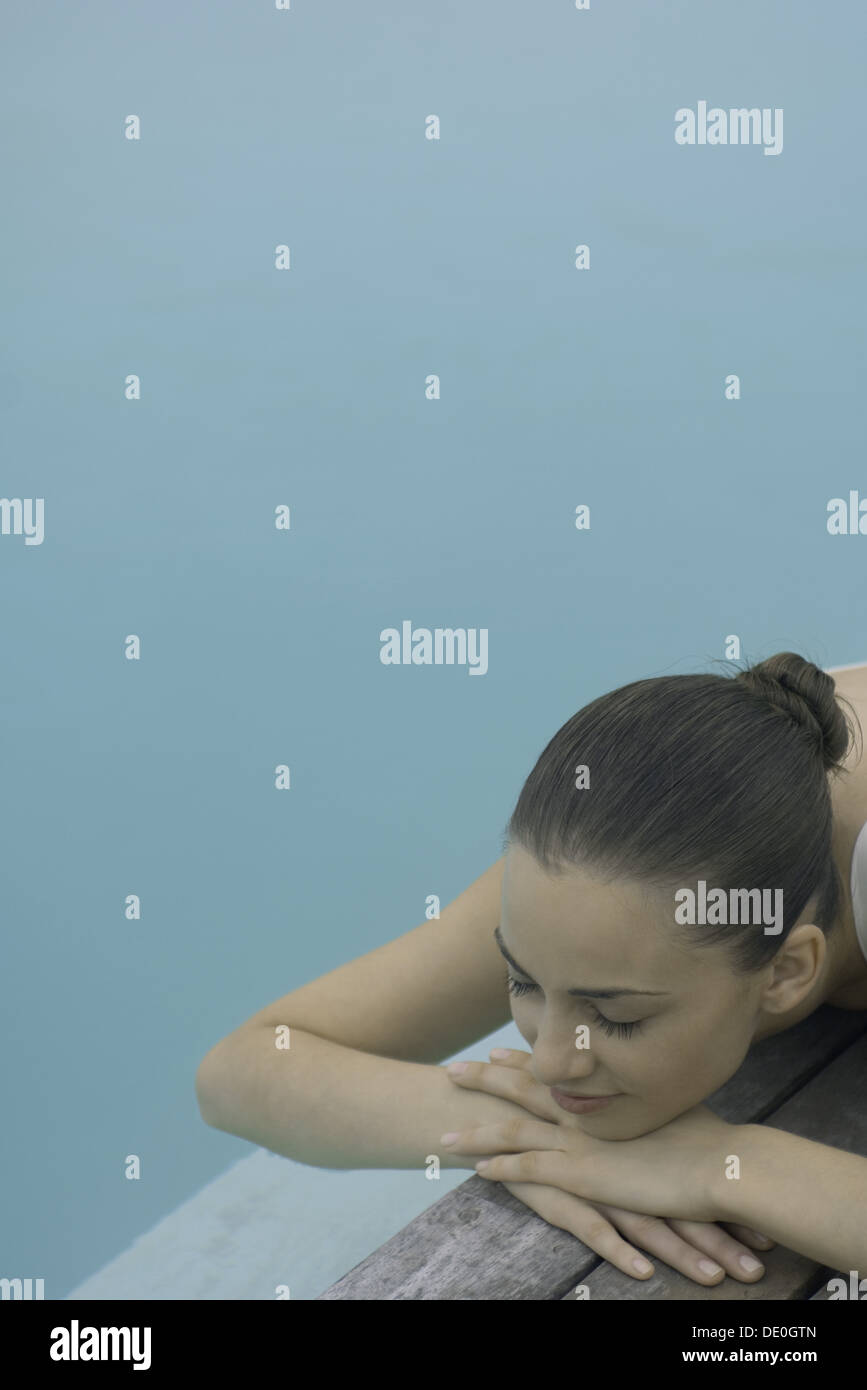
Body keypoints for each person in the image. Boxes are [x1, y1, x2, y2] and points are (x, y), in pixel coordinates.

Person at [196, 651, 867, 1289]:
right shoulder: (633, 849)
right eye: (521, 981)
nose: (548, 1063)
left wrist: (725, 1165)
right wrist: (526, 1141)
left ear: (785, 971)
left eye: (615, 1015)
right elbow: (240, 1072)